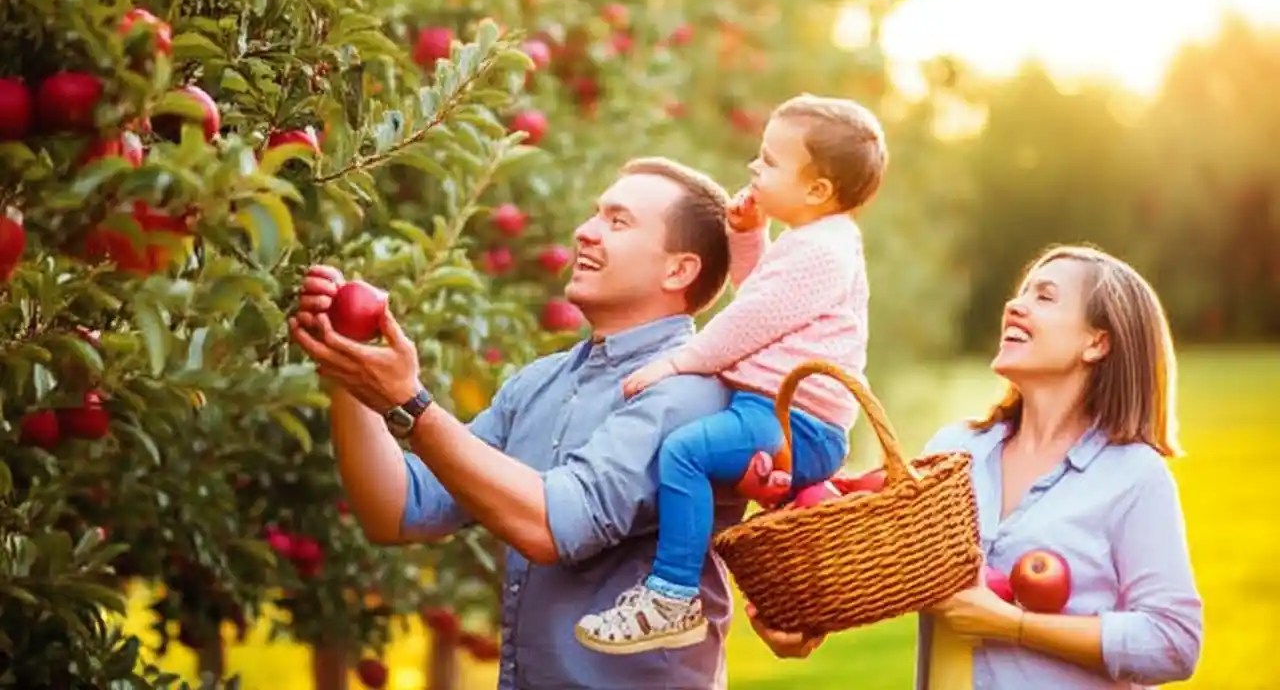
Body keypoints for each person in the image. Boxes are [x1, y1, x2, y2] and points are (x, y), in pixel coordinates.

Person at [288, 157, 745, 689]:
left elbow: (556, 525)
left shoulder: (690, 392)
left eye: (617, 222)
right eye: (595, 214)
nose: (585, 232)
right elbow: (397, 509)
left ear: (678, 270)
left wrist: (412, 405)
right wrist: (349, 371)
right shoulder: (540, 384)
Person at [748, 244, 1204, 689]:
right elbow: (886, 571)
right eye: (1021, 292)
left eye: (1043, 297)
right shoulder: (955, 452)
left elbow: (1174, 642)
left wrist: (1014, 625)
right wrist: (808, 620)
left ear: (1097, 342)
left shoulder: (1133, 477)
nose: (1014, 306)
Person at [574, 94, 890, 655]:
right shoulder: (813, 243)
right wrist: (748, 234)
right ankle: (671, 591)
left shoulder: (825, 250)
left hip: (797, 425)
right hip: (774, 415)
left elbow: (750, 320)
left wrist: (678, 360)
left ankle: (671, 596)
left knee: (684, 453)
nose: (753, 169)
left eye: (769, 162)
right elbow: (764, 293)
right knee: (691, 453)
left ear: (817, 190)